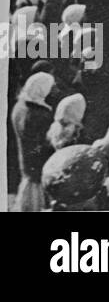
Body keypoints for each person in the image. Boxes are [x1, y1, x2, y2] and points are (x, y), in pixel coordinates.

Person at [11, 73, 56, 211]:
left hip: (27, 161)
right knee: (37, 202)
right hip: (39, 165)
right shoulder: (38, 113)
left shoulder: (20, 106)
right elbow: (45, 142)